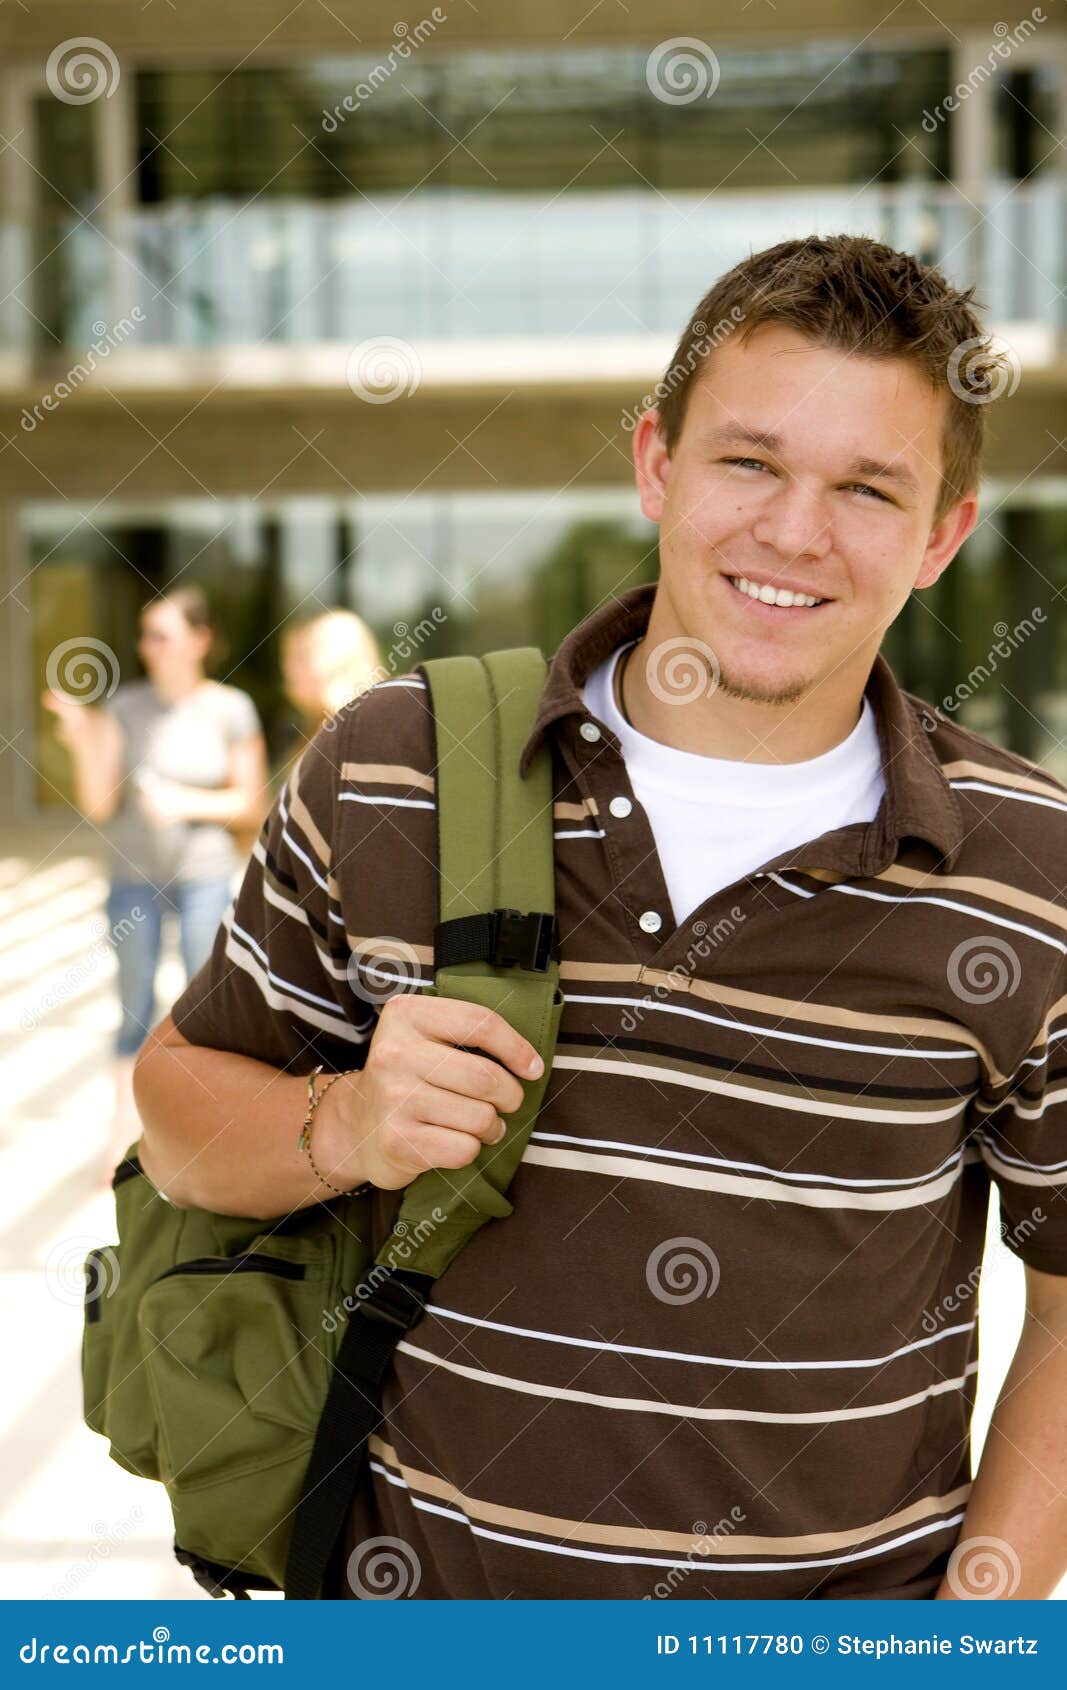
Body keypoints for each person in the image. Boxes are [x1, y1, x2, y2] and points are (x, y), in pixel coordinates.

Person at [133, 236, 1067, 1601]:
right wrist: (342, 1123)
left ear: (938, 535)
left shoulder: (1026, 868)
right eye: (746, 461)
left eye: (865, 488)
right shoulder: (401, 764)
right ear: (654, 465)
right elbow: (173, 1115)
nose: (793, 532)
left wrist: (965, 1626)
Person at [42, 586, 269, 1180]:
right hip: (132, 882)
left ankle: (207, 1136)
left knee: (208, 1009)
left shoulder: (231, 708)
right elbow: (100, 803)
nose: (149, 648)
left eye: (162, 635)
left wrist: (183, 801)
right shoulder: (126, 707)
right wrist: (79, 738)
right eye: (145, 635)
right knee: (134, 1010)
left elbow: (252, 803)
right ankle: (125, 1141)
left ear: (200, 641)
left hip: (203, 878)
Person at [276, 609, 381, 783]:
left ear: (333, 662)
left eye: (300, 657)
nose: (288, 669)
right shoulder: (318, 726)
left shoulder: (354, 734)